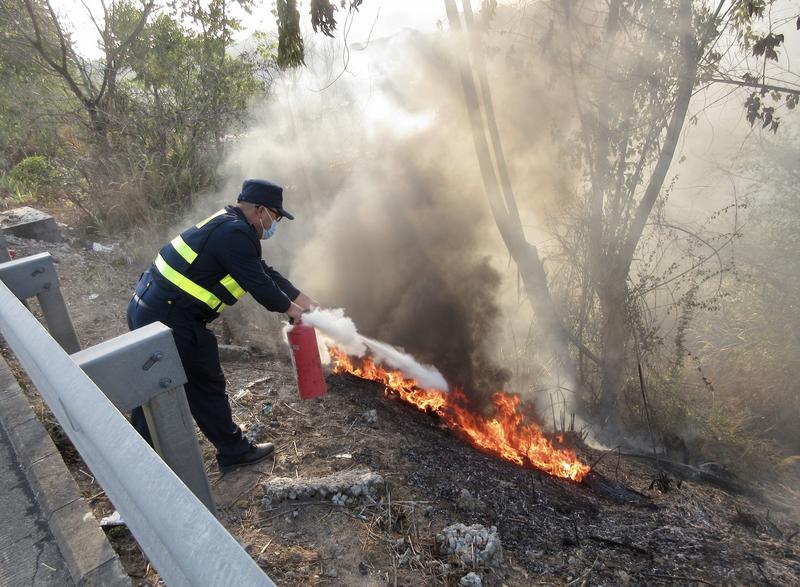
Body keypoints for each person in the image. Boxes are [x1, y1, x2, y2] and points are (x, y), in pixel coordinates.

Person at [127, 179, 317, 472]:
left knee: (150, 391)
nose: (274, 224)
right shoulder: (235, 234)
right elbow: (259, 285)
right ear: (261, 210)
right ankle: (233, 452)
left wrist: (307, 303)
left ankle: (140, 463)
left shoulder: (228, 224)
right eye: (276, 217)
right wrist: (294, 311)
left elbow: (263, 272)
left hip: (147, 307)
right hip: (172, 317)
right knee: (206, 384)